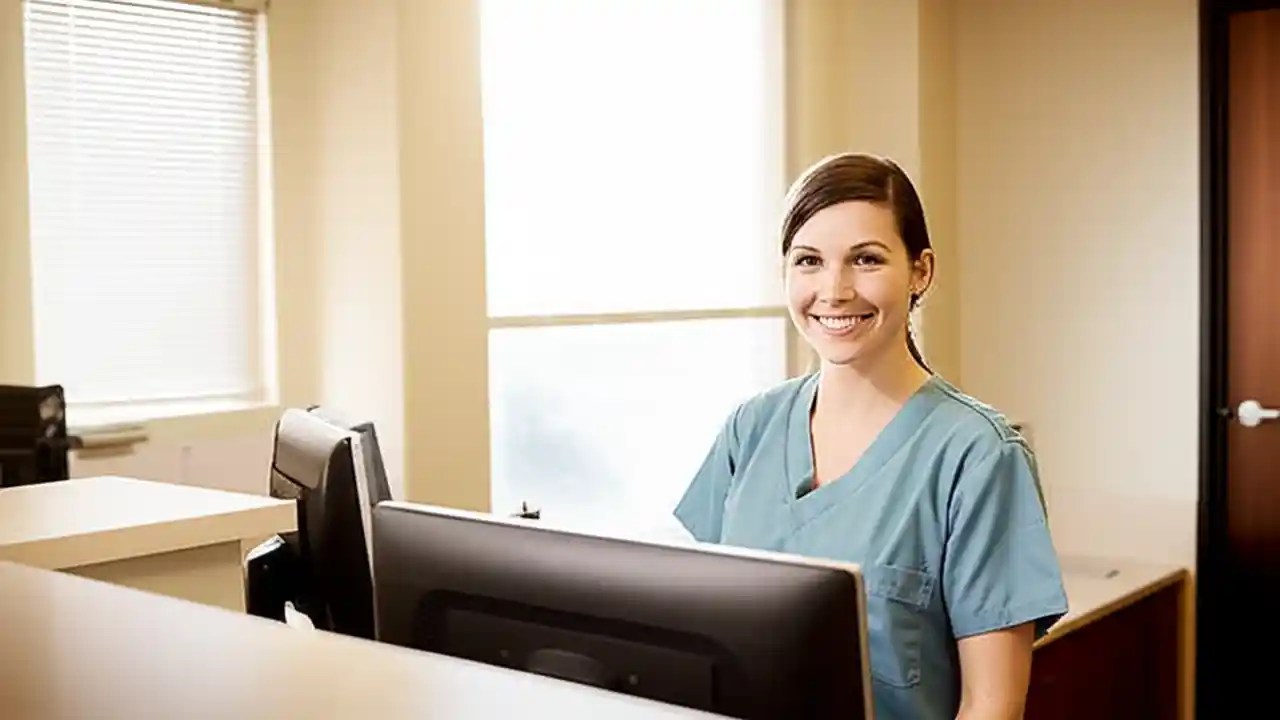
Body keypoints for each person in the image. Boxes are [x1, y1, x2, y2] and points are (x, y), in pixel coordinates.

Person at [673, 152, 1067, 720]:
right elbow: (702, 642)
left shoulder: (978, 456)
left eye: (866, 259)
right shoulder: (750, 428)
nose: (834, 290)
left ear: (920, 271)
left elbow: (990, 706)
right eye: (808, 261)